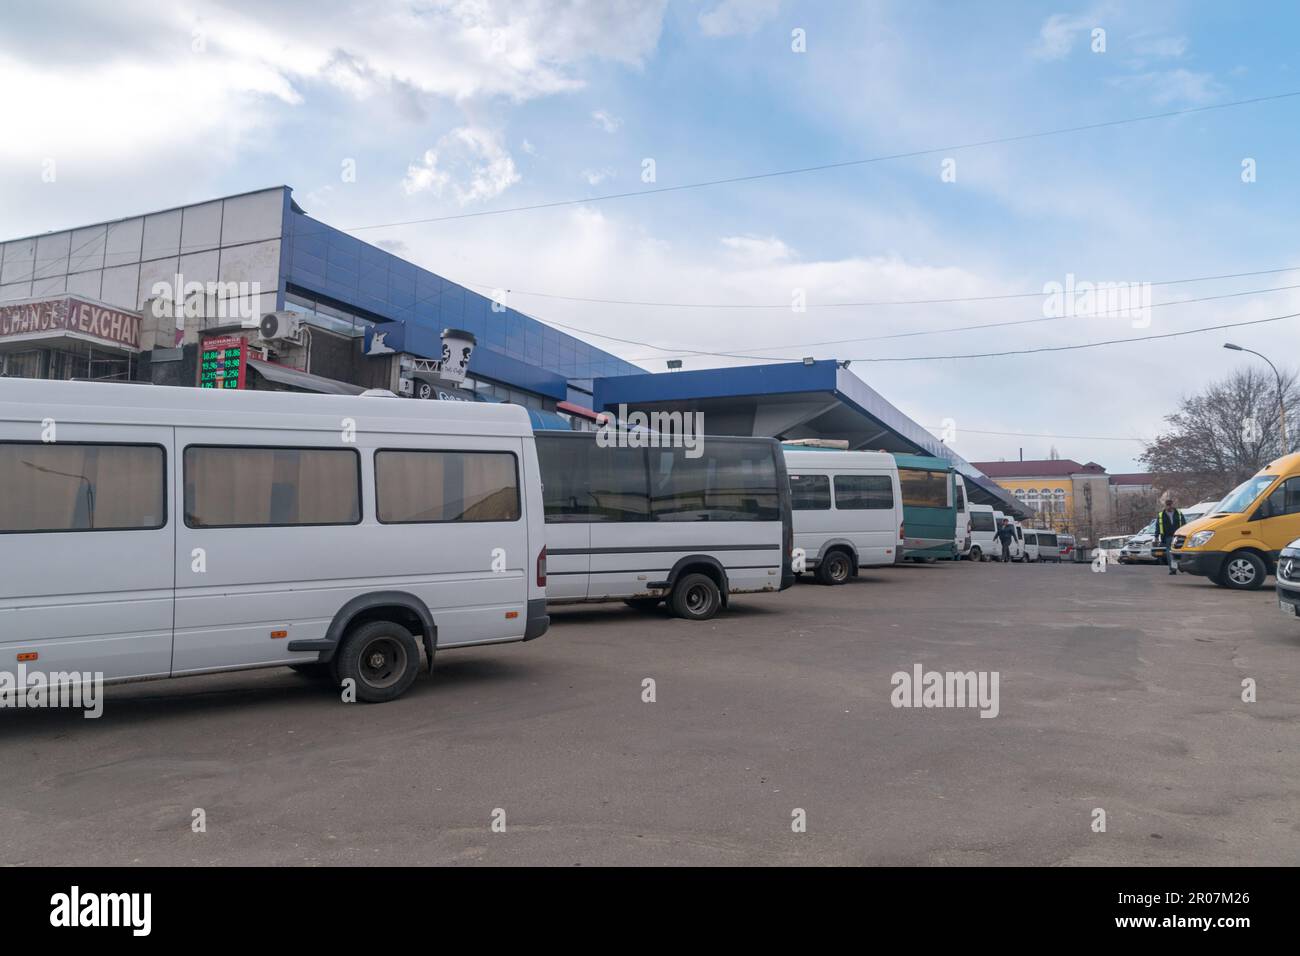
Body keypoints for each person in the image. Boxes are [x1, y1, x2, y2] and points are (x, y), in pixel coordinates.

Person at [1155, 498, 1186, 575]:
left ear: (1172, 505)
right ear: (1165, 506)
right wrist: (1156, 536)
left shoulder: (1178, 513)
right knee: (1171, 554)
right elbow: (1158, 526)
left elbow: (1184, 524)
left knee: (1179, 553)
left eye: (1170, 505)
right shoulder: (1161, 515)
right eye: (1167, 505)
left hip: (1178, 536)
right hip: (1167, 537)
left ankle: (1180, 566)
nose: (1169, 507)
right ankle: (1173, 569)